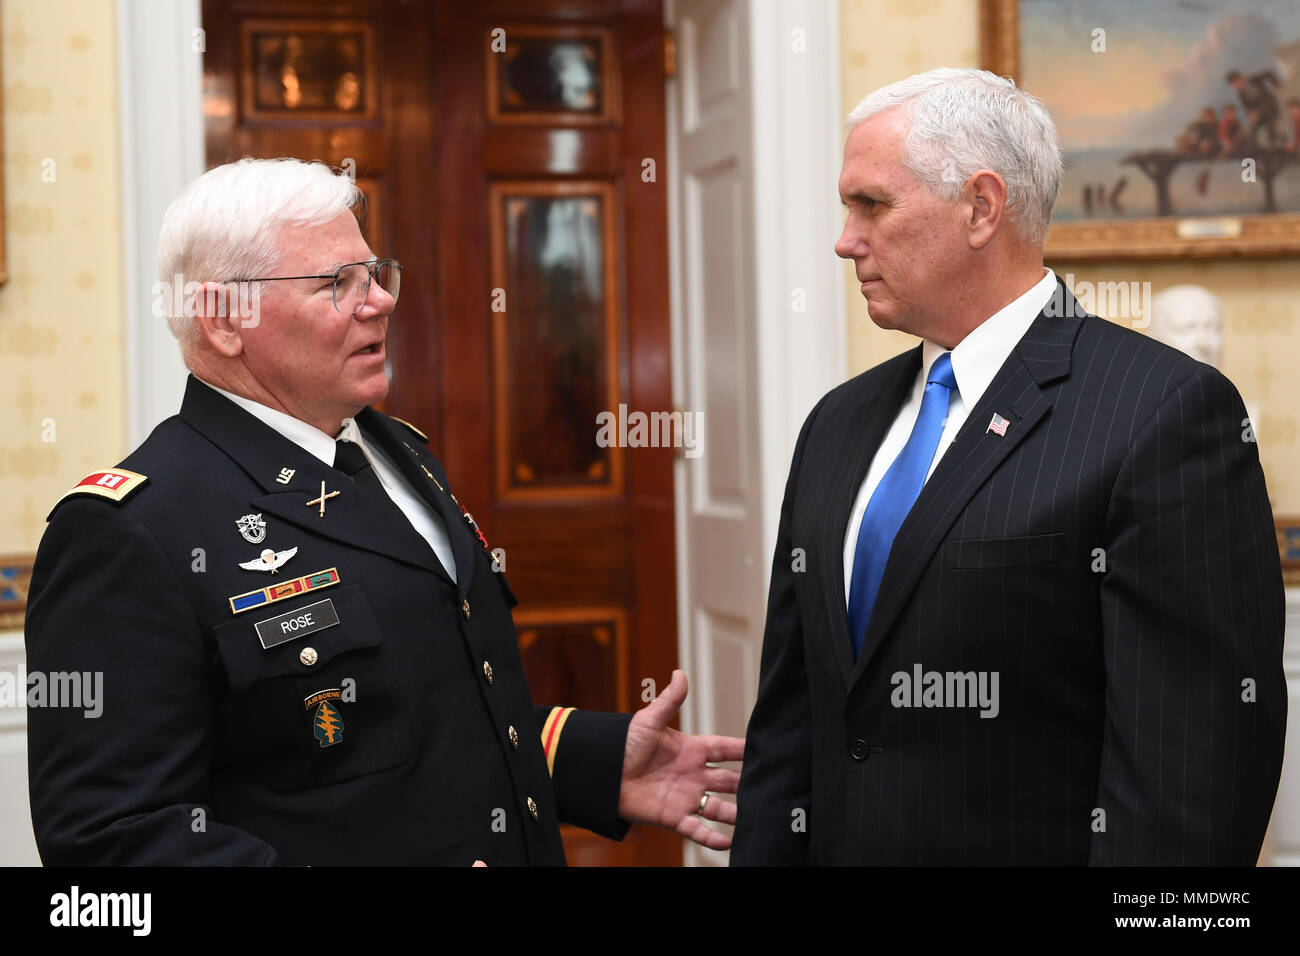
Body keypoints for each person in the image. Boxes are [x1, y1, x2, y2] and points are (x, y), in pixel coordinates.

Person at [25, 157, 743, 865]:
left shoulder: (393, 449)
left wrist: (594, 764)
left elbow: (412, 714)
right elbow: (110, 841)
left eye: (375, 274)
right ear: (223, 319)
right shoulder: (128, 529)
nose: (380, 300)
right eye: (337, 282)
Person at [730, 68, 1286, 866]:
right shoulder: (836, 425)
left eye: (872, 205)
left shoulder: (1162, 415)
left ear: (981, 208)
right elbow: (790, 724)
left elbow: (1191, 780)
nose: (845, 238)